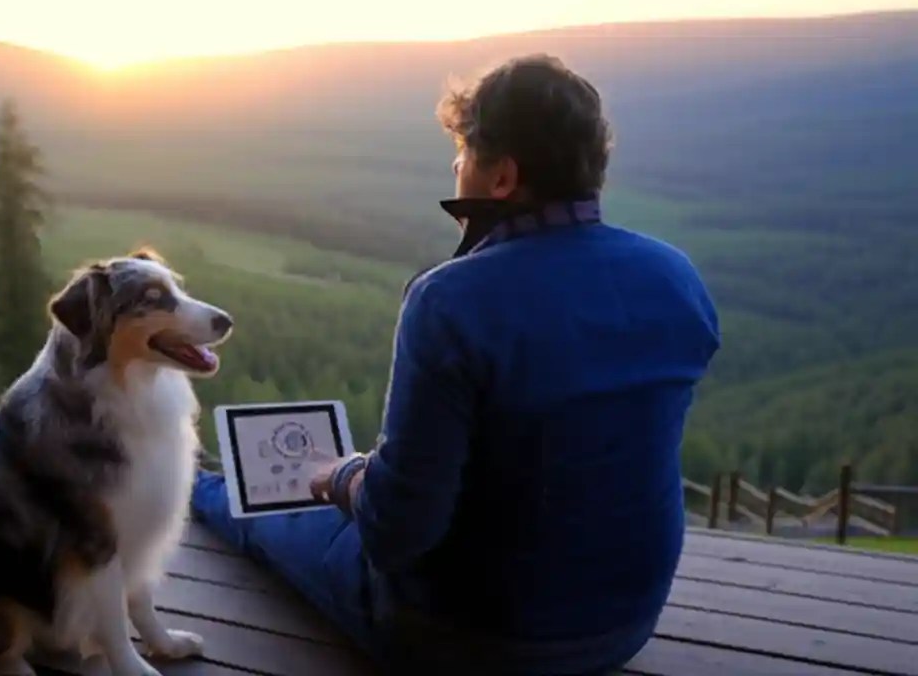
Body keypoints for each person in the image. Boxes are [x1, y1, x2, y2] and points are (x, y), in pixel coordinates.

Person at [190, 54, 721, 674]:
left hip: (467, 640)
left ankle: (189, 485)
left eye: (464, 152)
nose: (455, 166)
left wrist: (342, 477)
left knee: (267, 512)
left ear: (502, 177)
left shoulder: (451, 299)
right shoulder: (675, 276)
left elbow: (396, 532)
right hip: (624, 627)